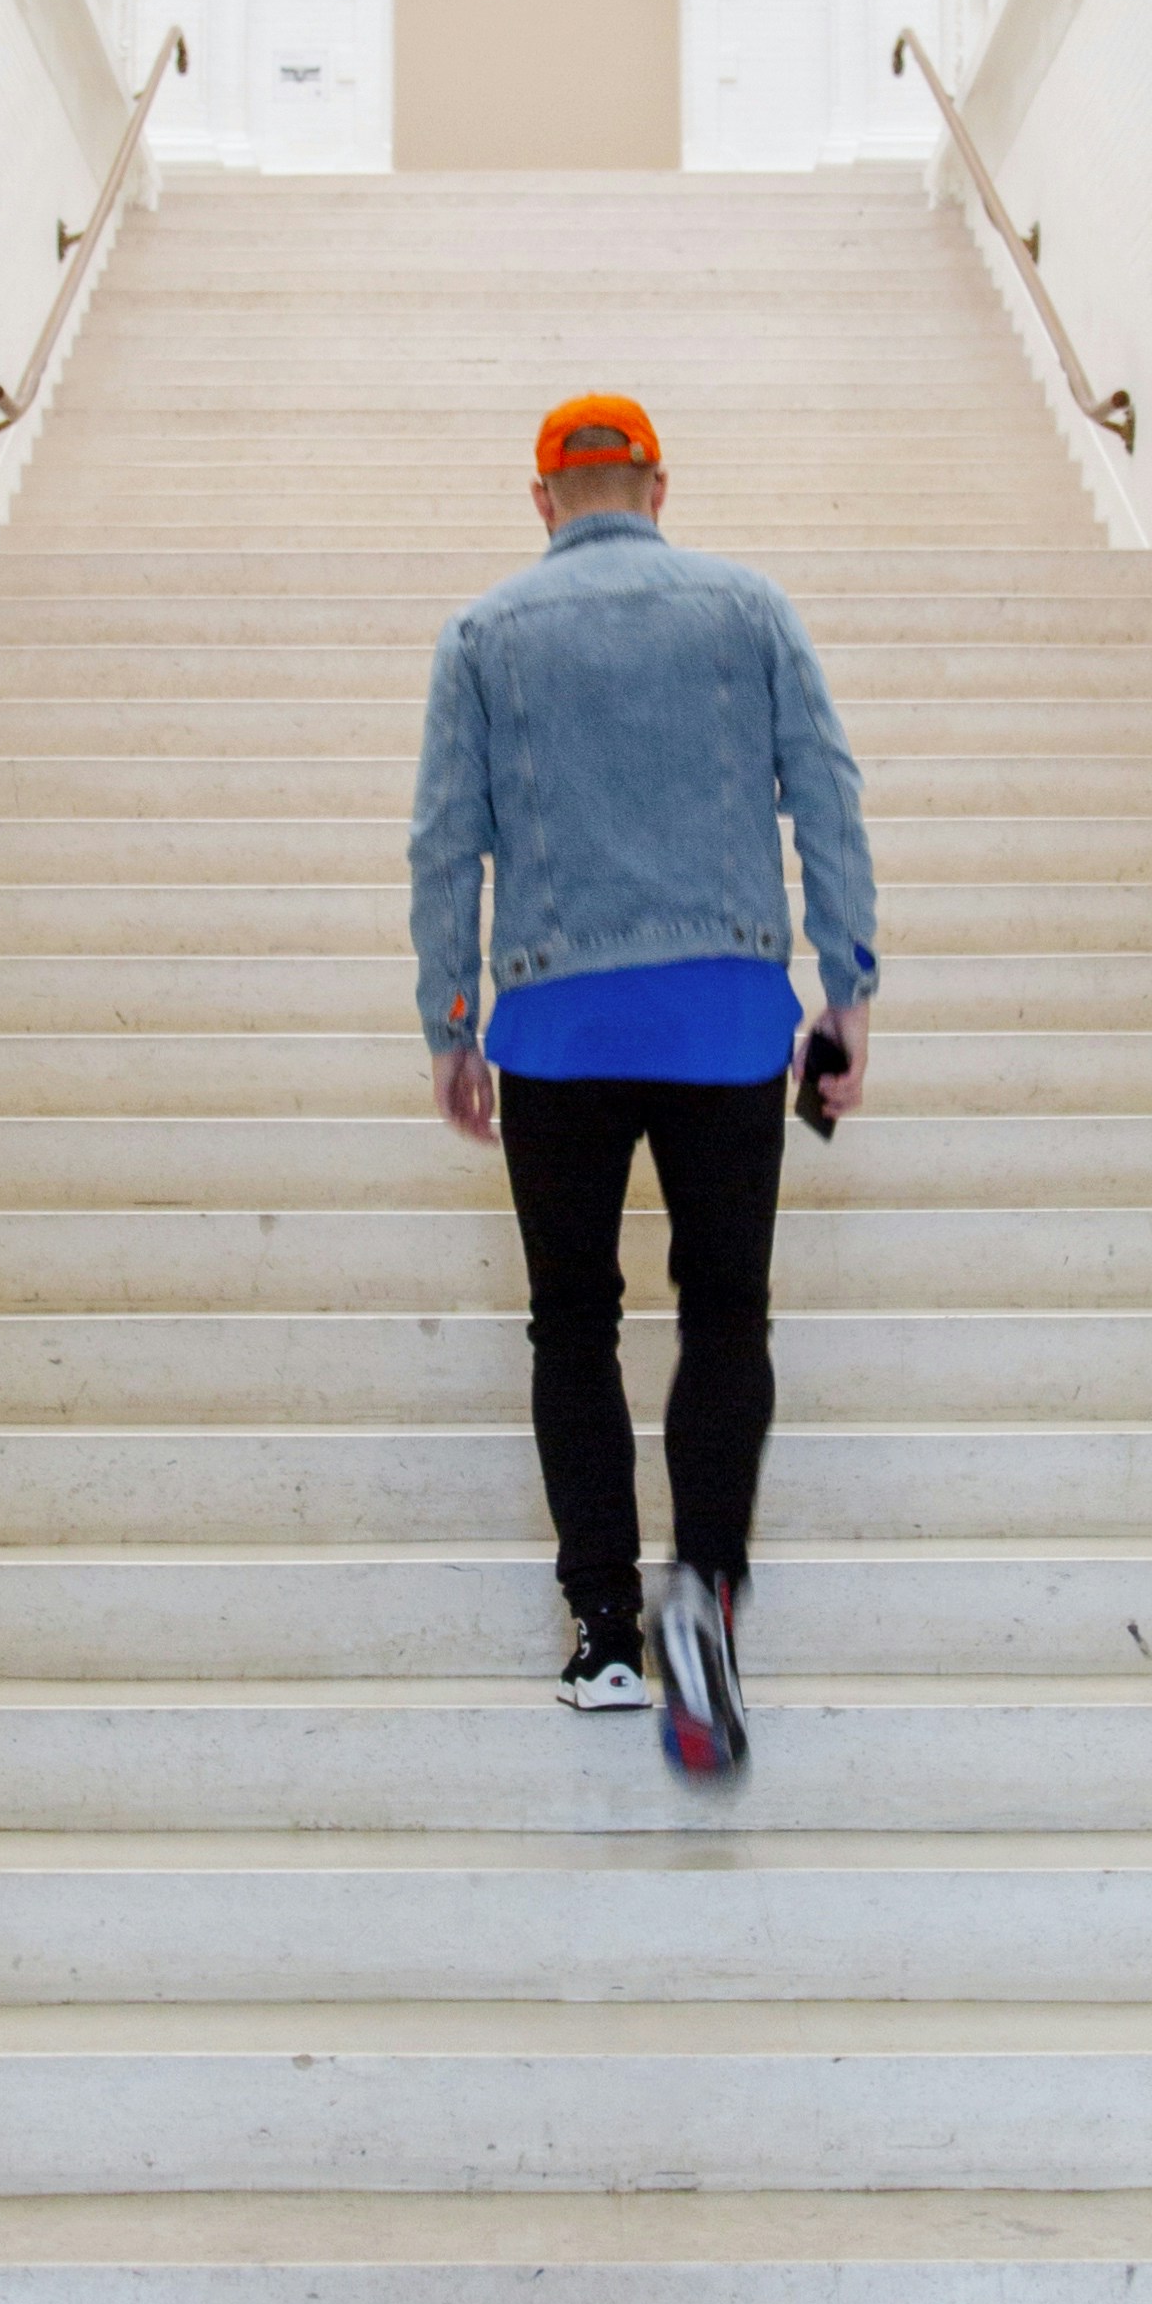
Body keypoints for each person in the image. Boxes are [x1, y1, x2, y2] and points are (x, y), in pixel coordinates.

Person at [409, 391, 878, 1778]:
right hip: (728, 1012)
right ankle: (707, 1586)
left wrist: (450, 1014)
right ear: (659, 488)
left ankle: (605, 1636)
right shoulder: (749, 609)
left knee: (572, 1320)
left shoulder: (484, 634)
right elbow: (829, 792)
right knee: (727, 1308)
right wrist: (845, 992)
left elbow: (447, 838)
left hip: (554, 1021)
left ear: (544, 499)